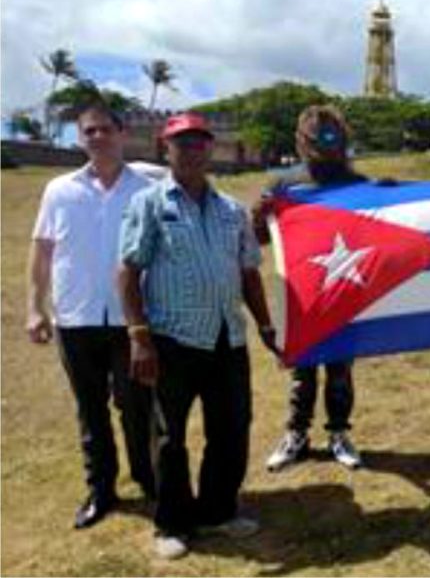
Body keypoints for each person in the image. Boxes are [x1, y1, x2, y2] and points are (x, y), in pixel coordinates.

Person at [118, 112, 278, 562]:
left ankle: (218, 511)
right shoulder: (150, 204)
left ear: (210, 150)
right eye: (181, 143)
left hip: (228, 340)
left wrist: (265, 326)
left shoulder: (230, 211)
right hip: (172, 340)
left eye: (198, 143)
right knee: (169, 438)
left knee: (231, 431)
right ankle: (172, 522)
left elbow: (248, 273)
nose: (191, 150)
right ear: (164, 150)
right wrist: (138, 336)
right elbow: (128, 272)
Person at [27, 104, 156, 530]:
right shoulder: (58, 189)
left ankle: (149, 481)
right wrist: (34, 307)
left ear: (121, 133)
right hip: (75, 317)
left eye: (105, 129)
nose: (97, 137)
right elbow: (43, 249)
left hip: (130, 318)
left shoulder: (147, 186)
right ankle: (101, 489)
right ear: (80, 137)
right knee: (90, 410)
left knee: (136, 406)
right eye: (89, 131)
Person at [253, 105, 368, 472]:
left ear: (344, 138)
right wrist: (259, 215)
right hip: (300, 296)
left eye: (332, 138)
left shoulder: (356, 183)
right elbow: (257, 240)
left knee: (340, 370)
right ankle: (297, 435)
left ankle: (338, 433)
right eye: (316, 139)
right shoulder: (283, 184)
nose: (325, 146)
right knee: (302, 371)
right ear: (301, 142)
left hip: (344, 290)